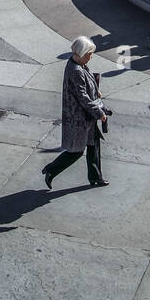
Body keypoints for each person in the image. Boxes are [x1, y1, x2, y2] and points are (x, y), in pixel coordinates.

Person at [42, 37, 111, 190]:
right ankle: (51, 170)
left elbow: (87, 82)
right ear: (81, 53)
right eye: (89, 53)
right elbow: (83, 98)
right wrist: (100, 113)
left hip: (86, 117)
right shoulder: (75, 71)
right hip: (80, 117)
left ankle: (96, 177)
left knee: (94, 145)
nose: (91, 56)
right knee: (77, 151)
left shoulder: (79, 64)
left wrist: (96, 89)